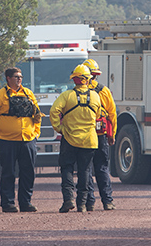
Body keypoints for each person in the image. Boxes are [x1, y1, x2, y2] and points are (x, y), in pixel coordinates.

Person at [0, 67, 42, 212]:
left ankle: (25, 203)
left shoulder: (28, 94)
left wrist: (36, 134)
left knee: (28, 172)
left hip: (28, 140)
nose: (19, 79)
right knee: (8, 172)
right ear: (8, 78)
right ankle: (8, 203)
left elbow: (37, 115)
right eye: (16, 76)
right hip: (7, 140)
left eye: (21, 76)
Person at [50, 64, 102, 213]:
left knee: (67, 168)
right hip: (89, 140)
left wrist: (59, 128)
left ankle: (68, 200)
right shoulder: (96, 96)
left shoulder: (67, 96)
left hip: (69, 138)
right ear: (87, 79)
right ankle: (82, 204)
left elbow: (54, 111)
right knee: (85, 171)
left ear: (75, 80)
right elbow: (98, 115)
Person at [82, 58, 117, 211]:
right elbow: (112, 114)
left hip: (83, 135)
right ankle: (107, 202)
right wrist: (112, 134)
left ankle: (89, 203)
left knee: (86, 168)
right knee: (102, 167)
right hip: (100, 134)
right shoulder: (103, 90)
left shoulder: (76, 92)